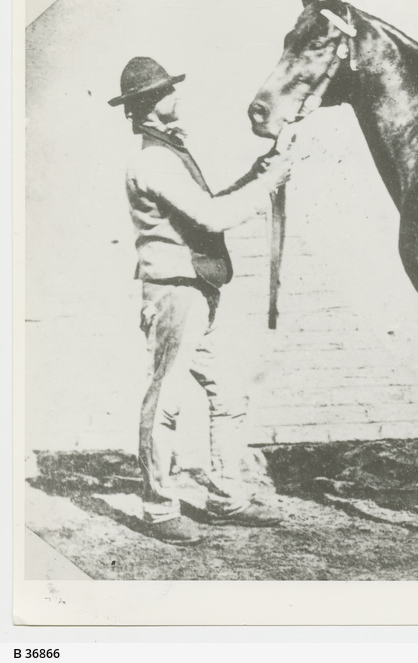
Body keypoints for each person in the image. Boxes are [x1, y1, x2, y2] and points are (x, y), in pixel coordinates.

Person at [108, 56, 292, 545]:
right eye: (168, 91)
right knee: (165, 399)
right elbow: (211, 218)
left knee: (229, 391)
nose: (176, 97)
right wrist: (270, 181)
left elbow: (207, 206)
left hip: (197, 286)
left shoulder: (170, 152)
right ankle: (159, 508)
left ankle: (227, 498)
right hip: (174, 291)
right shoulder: (153, 160)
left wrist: (261, 169)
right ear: (150, 104)